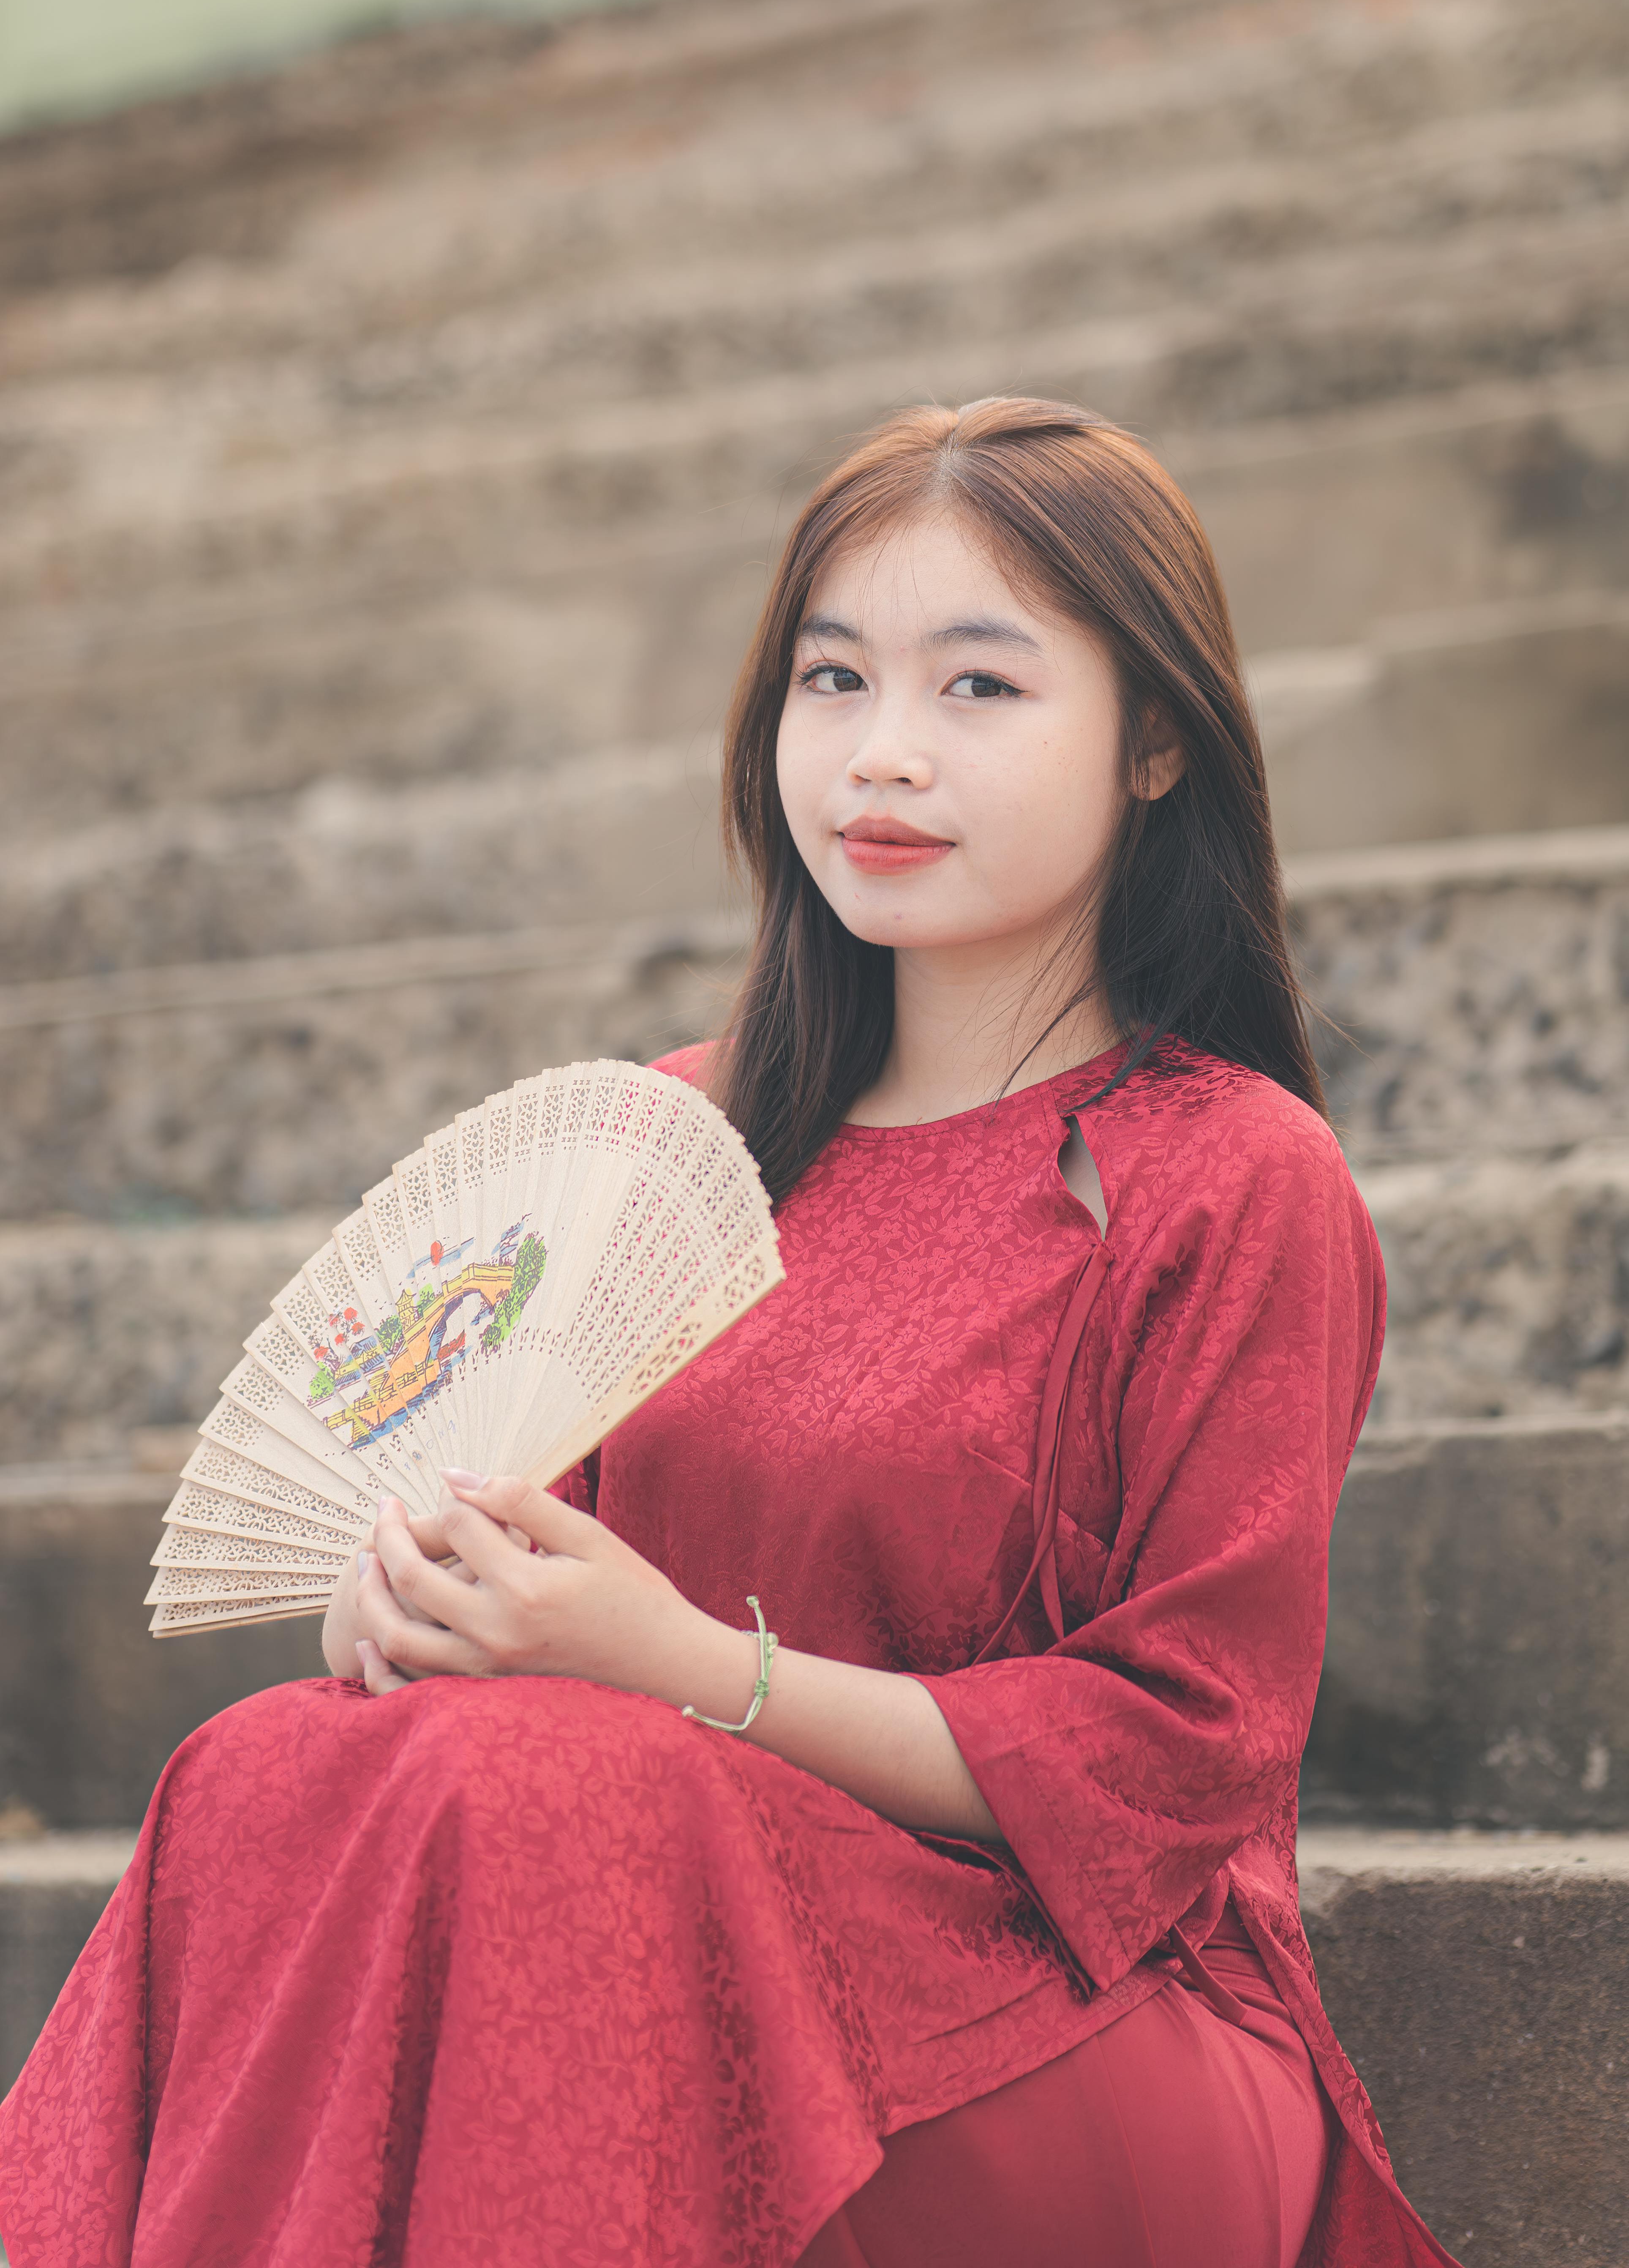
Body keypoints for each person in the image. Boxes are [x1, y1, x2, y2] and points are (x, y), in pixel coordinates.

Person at [0, 398, 1461, 2268]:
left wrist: (686, 1665)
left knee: (536, 1792)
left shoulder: (1228, 1176)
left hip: (1070, 2015)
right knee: (271, 1770)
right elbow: (540, 1640)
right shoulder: (675, 1147)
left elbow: (1179, 1769)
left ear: (1157, 739)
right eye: (832, 680)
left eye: (980, 690)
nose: (884, 756)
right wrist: (437, 1598)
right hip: (617, 1912)